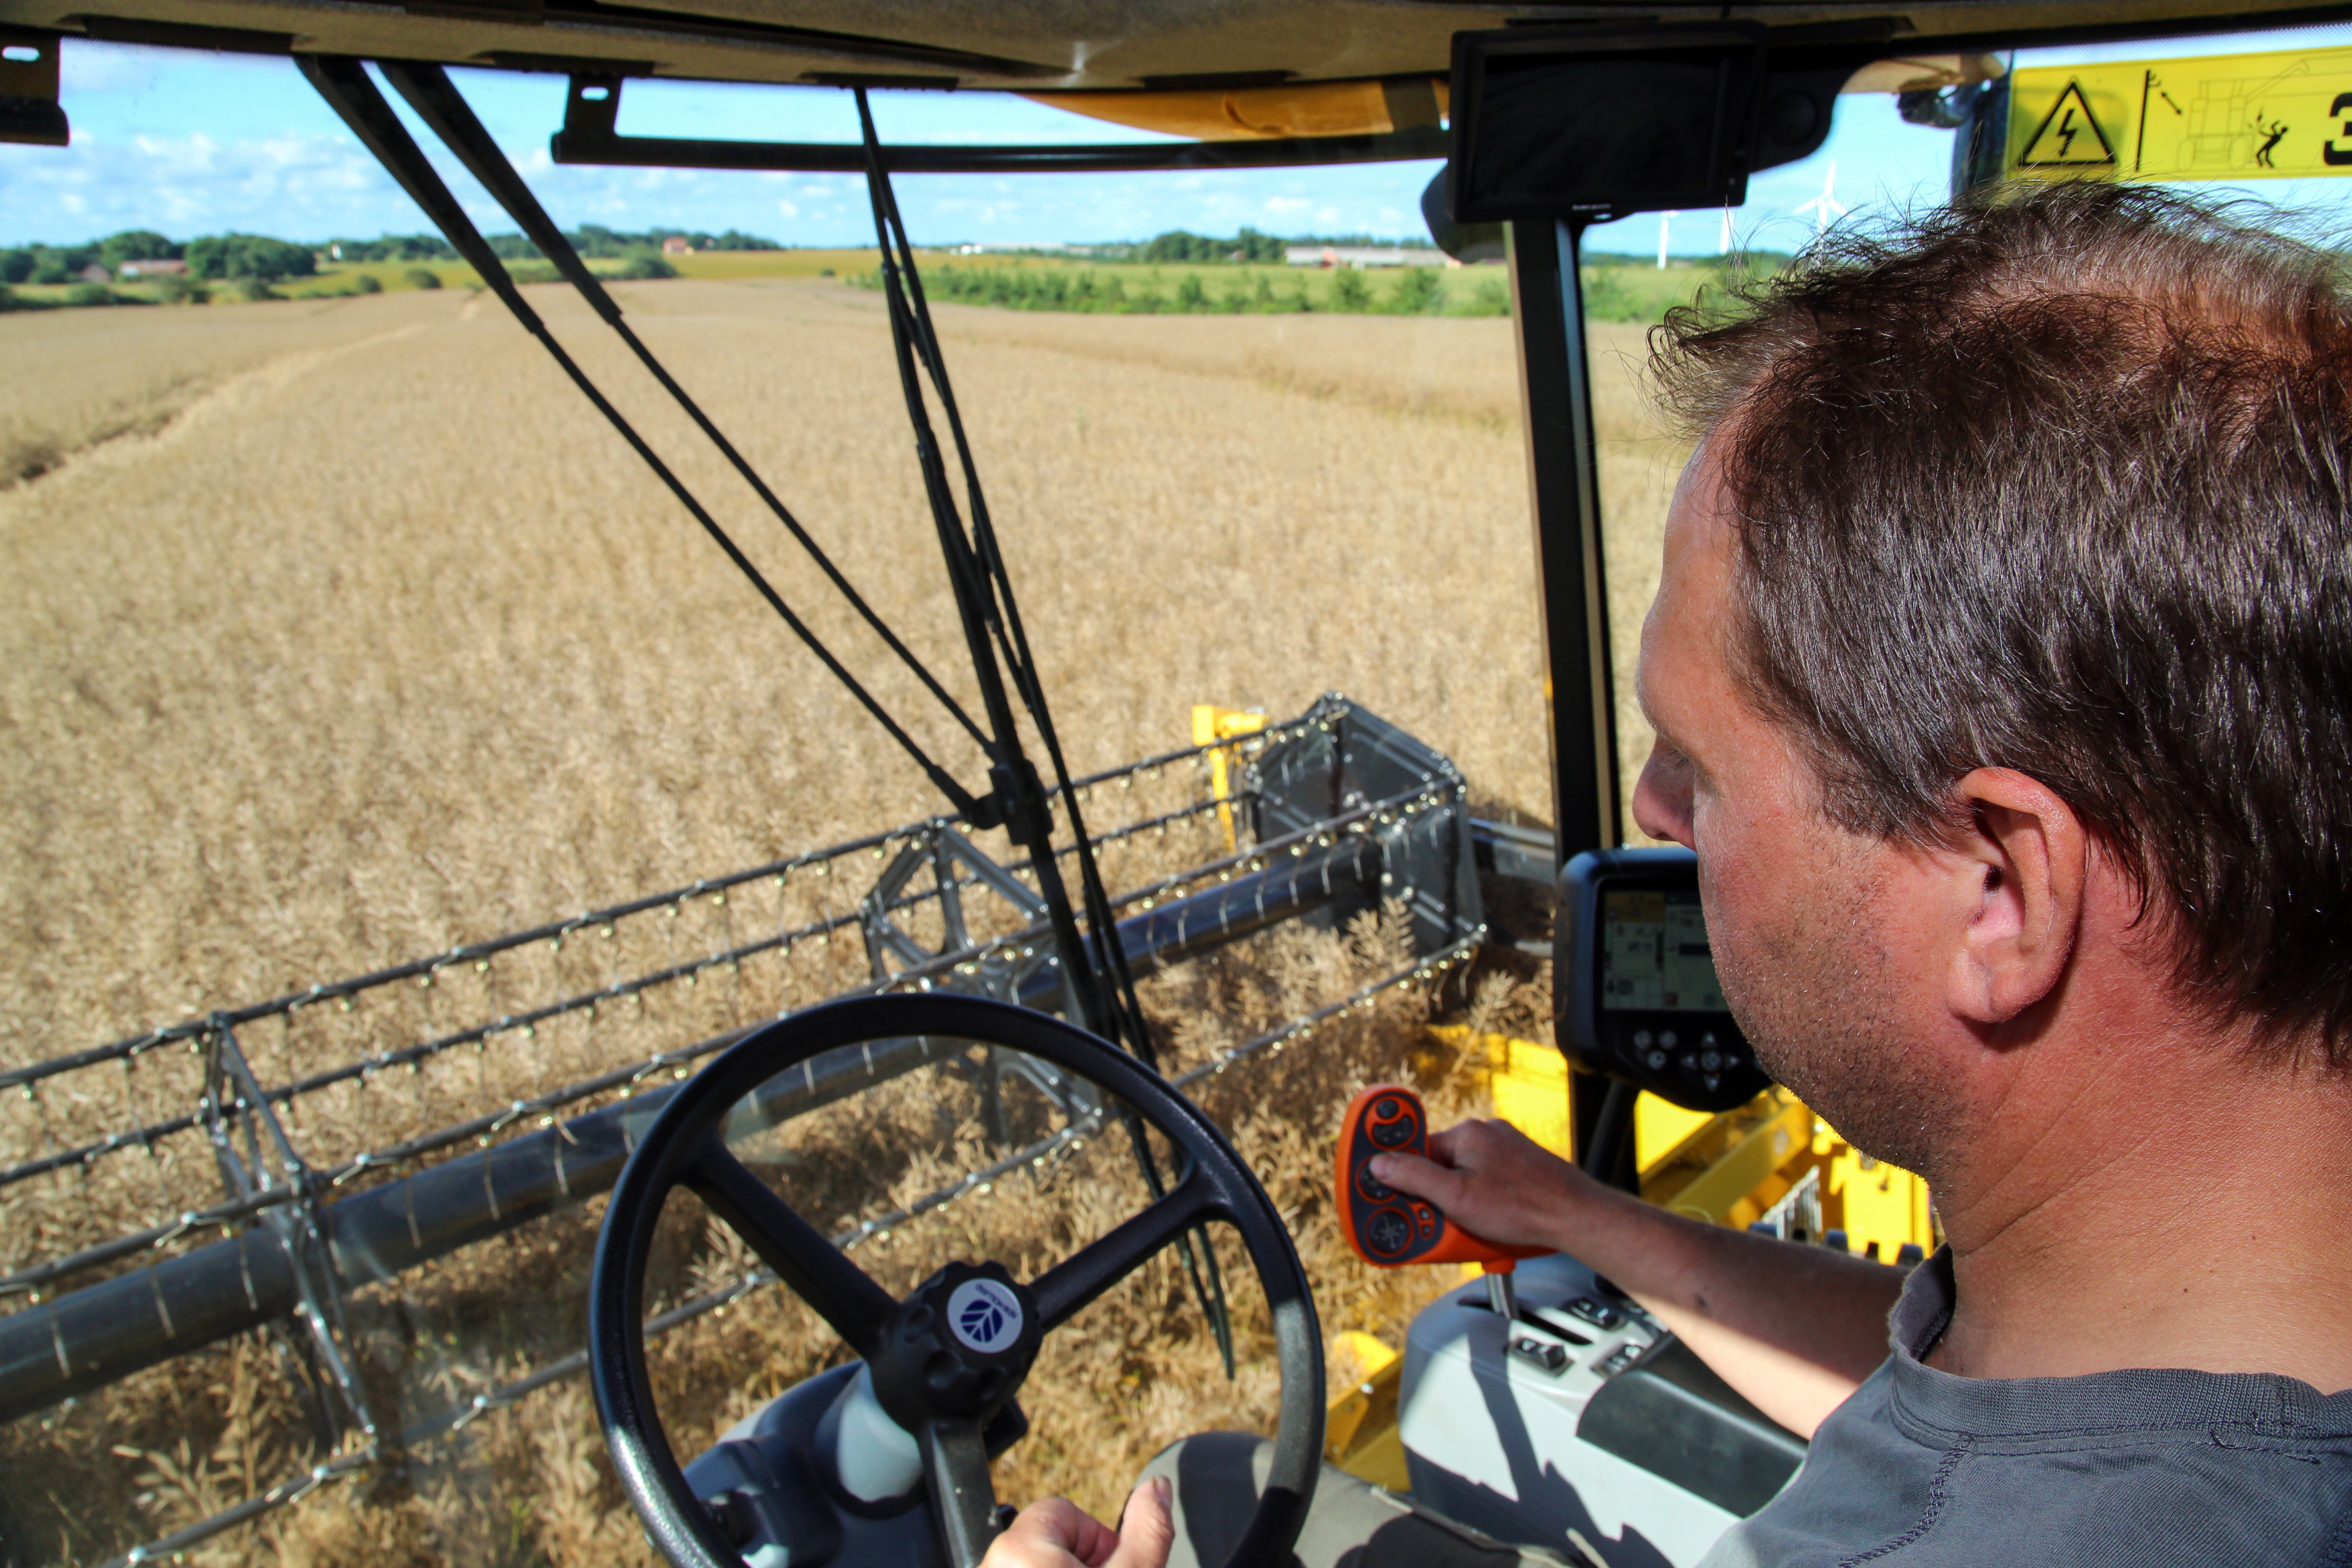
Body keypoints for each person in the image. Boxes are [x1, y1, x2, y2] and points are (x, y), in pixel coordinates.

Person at [988, 181, 2352, 1567]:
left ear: (1998, 896)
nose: (1647, 808)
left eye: (1698, 765)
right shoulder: (2149, 1307)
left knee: (1201, 1491)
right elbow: (1967, 1376)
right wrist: (1579, 1215)